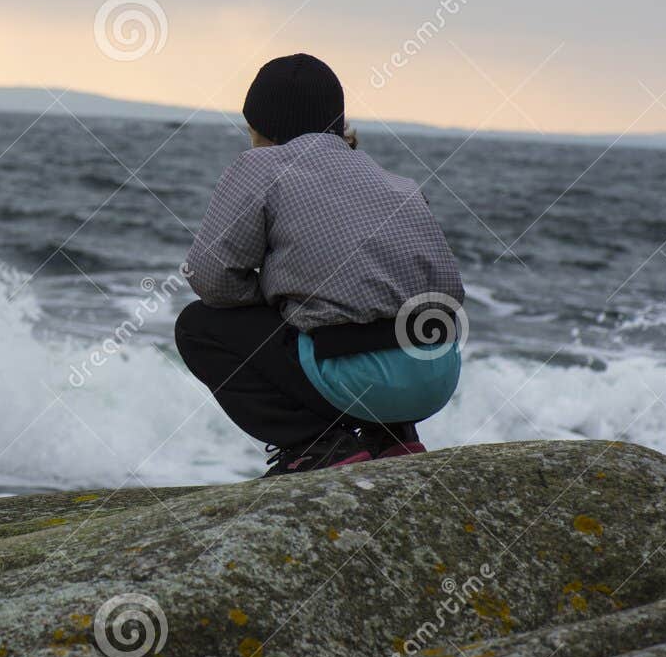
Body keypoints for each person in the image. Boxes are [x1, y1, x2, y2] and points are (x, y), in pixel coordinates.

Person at [174, 53, 465, 476]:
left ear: (262, 129)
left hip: (356, 381)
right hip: (436, 378)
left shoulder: (261, 165)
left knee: (199, 326)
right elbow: (449, 292)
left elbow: (210, 279)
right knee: (358, 315)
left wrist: (277, 297)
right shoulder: (396, 182)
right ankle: (391, 439)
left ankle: (316, 445)